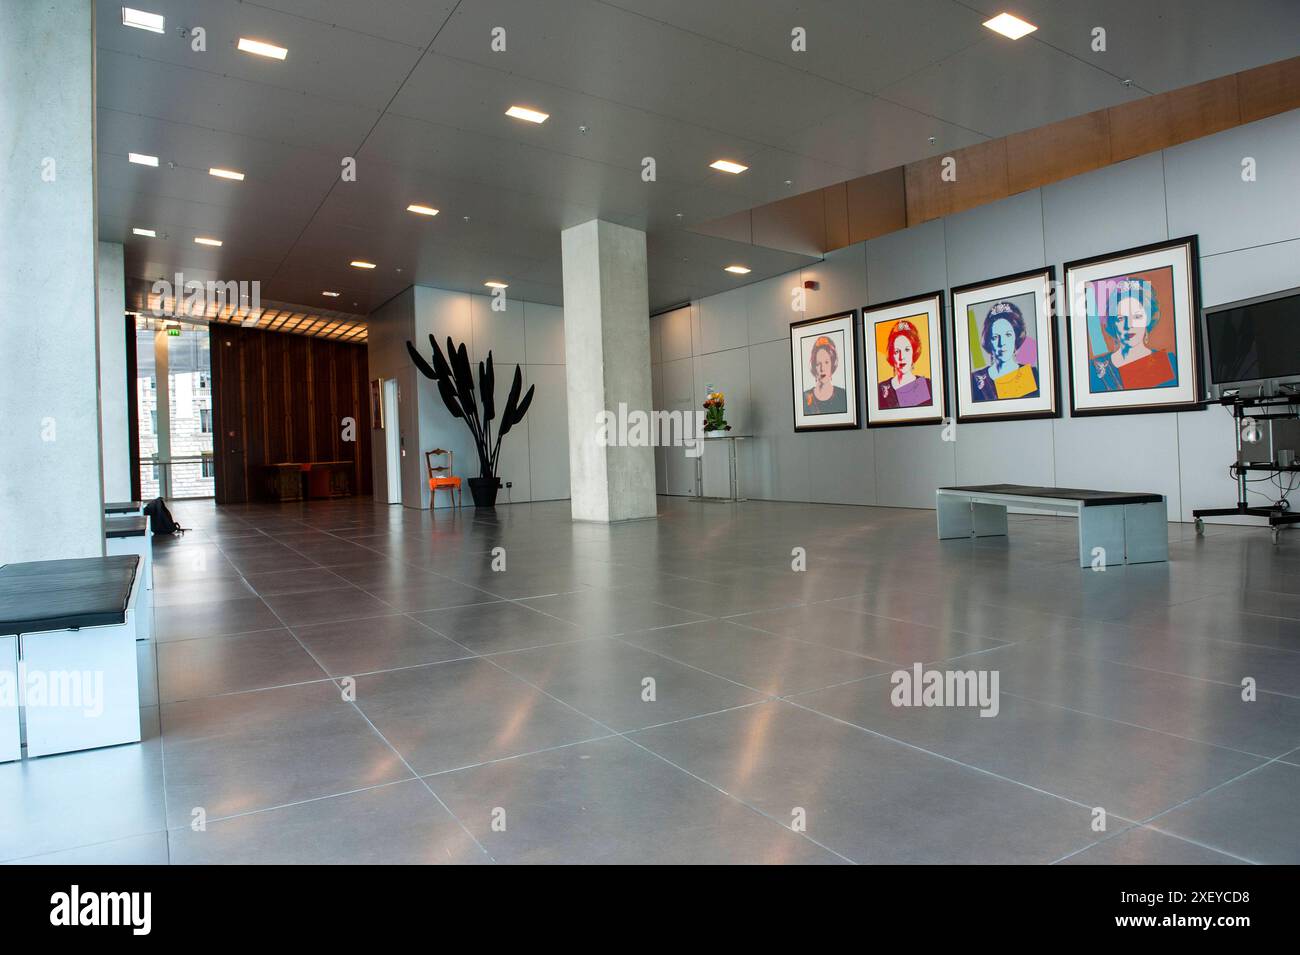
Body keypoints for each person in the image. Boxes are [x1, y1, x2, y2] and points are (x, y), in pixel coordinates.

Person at [1089, 278, 1178, 392]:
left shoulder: (1168, 363)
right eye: (1120, 318)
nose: (1128, 325)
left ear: (1147, 319)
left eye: (1136, 317)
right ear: (1113, 324)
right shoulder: (1094, 369)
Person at [970, 301, 1040, 402]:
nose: (1002, 343)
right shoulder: (976, 379)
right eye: (995, 337)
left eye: (1008, 335)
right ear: (989, 341)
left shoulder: (1031, 375)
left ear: (1015, 337)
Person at [878, 319, 933, 408]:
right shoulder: (880, 389)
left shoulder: (927, 386)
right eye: (897, 351)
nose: (901, 357)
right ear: (892, 354)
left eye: (907, 350)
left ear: (914, 352)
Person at [803, 335, 847, 414]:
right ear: (814, 367)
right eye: (818, 364)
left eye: (826, 362)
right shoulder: (804, 398)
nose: (822, 368)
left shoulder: (843, 395)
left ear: (833, 364)